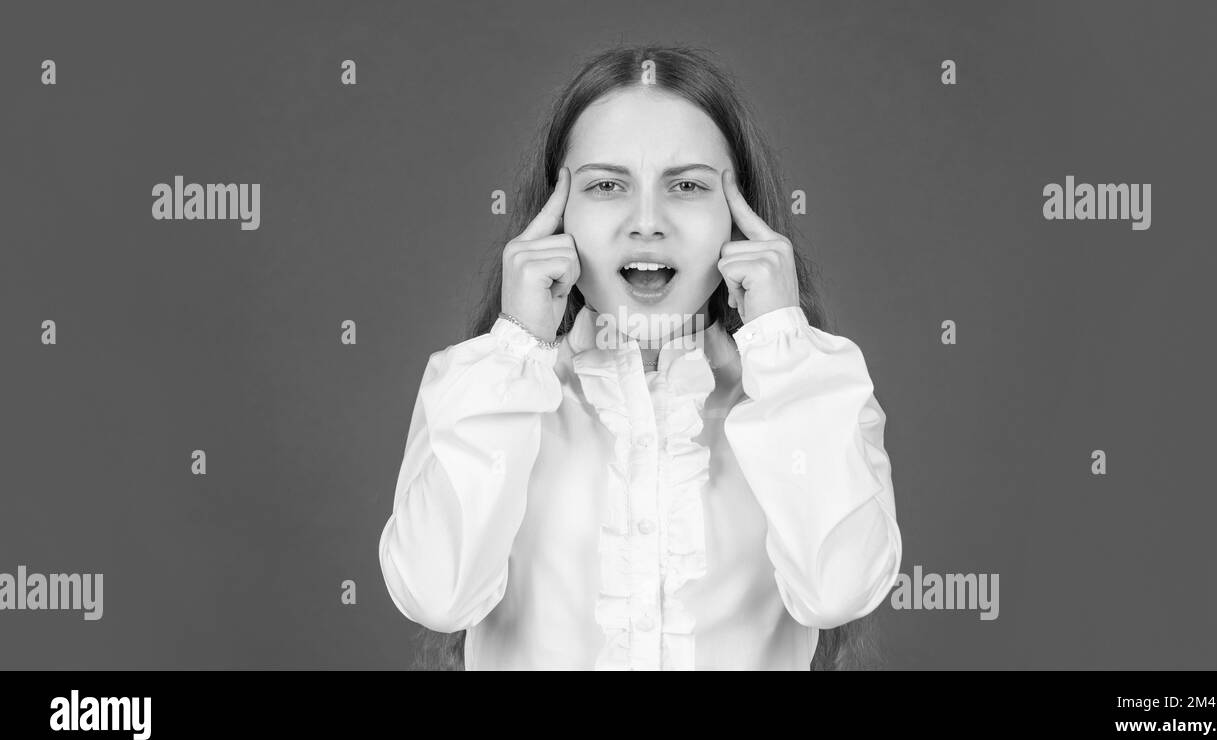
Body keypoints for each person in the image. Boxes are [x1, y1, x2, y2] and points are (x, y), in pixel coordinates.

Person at [379, 44, 902, 670]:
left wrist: (782, 343)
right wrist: (516, 343)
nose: (647, 222)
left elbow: (839, 590)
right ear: (555, 216)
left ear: (740, 221)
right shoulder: (486, 389)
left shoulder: (809, 392)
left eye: (686, 186)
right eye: (606, 185)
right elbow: (437, 595)